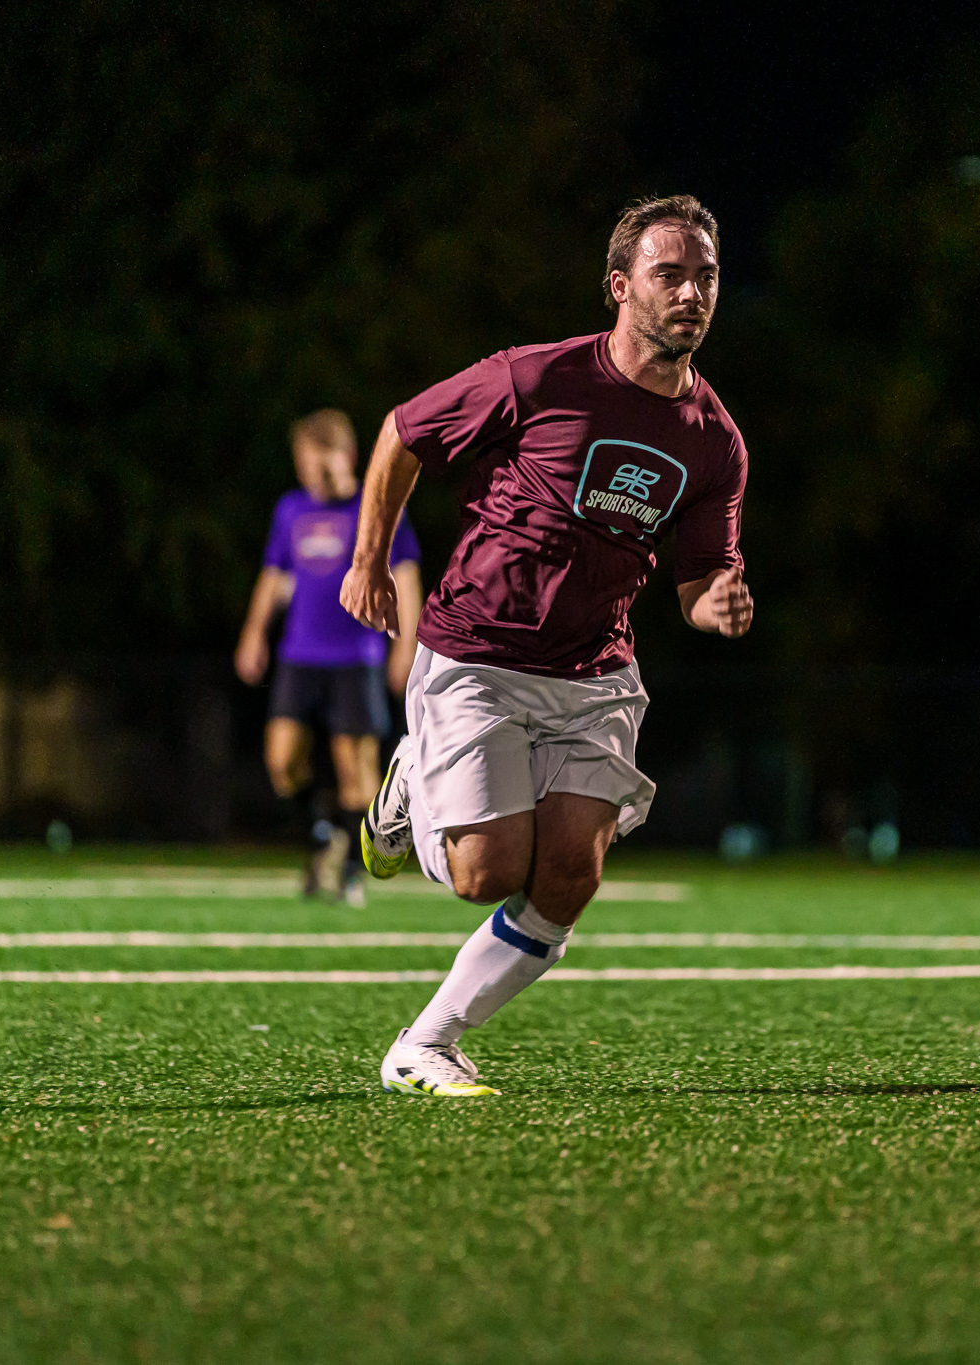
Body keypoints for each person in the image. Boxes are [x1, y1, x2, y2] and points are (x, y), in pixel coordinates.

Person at [340, 195, 754, 1096]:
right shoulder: (535, 378)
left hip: (595, 673)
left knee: (569, 873)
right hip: (478, 652)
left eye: (707, 276)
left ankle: (427, 1042)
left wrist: (714, 604)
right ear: (620, 287)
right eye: (669, 274)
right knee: (485, 874)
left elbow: (695, 578)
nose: (692, 293)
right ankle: (413, 775)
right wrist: (368, 558)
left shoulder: (716, 443)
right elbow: (404, 433)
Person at [236, 408, 422, 905]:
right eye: (301, 462)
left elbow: (405, 577)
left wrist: (405, 646)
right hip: (299, 656)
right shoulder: (291, 510)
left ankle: (350, 872)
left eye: (314, 460)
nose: (306, 471)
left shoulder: (378, 507)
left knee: (355, 773)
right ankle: (323, 835)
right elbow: (275, 576)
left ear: (345, 456)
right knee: (282, 761)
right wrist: (254, 633)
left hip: (356, 657)